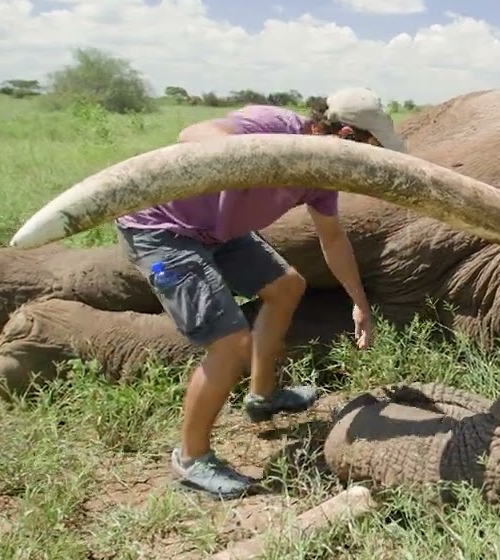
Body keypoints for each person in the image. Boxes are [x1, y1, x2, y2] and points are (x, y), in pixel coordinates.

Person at [115, 86, 408, 500]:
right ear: (346, 136)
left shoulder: (322, 179)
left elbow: (333, 239)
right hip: (161, 234)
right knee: (229, 342)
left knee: (286, 287)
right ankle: (191, 458)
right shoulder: (275, 126)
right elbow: (191, 133)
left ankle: (263, 396)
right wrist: (265, 156)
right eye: (372, 148)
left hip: (220, 233)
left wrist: (359, 303)